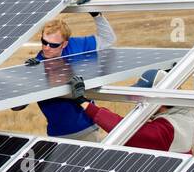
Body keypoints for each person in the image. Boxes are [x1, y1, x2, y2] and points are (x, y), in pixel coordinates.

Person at [12, 12, 118, 140]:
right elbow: (16, 107)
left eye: (53, 45)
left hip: (87, 129)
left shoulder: (77, 45)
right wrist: (28, 75)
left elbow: (108, 40)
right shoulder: (38, 64)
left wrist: (97, 16)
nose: (46, 48)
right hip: (57, 135)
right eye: (44, 42)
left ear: (65, 44)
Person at [85, 68, 194, 153]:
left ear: (160, 99)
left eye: (143, 98)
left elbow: (130, 132)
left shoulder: (170, 128)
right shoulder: (183, 113)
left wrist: (87, 105)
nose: (140, 103)